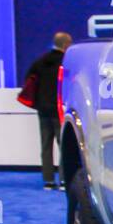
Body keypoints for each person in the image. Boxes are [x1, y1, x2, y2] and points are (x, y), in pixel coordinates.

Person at [23, 31, 71, 189]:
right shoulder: (67, 63)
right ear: (65, 45)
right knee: (63, 145)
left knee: (45, 146)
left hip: (43, 109)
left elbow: (29, 82)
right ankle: (64, 180)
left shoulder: (40, 62)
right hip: (59, 109)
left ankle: (48, 181)